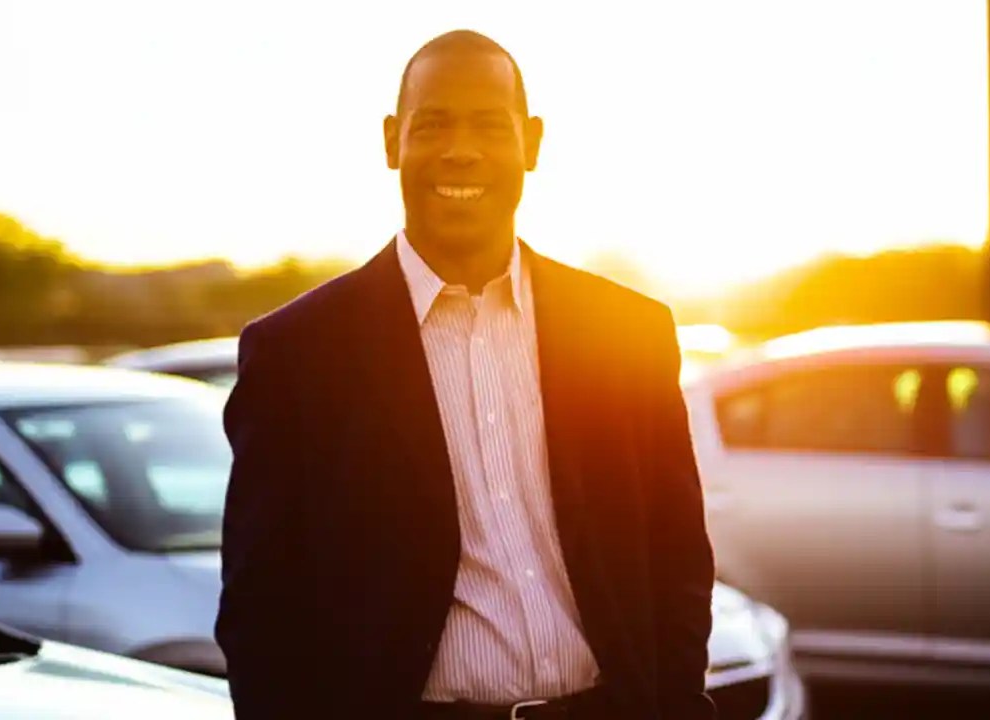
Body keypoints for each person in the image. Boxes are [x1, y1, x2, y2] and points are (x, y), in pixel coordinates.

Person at [215, 29, 716, 720]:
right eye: (433, 125)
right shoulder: (296, 355)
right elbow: (261, 610)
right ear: (392, 141)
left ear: (531, 143)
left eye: (489, 125)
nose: (461, 150)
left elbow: (678, 559)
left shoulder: (629, 332)